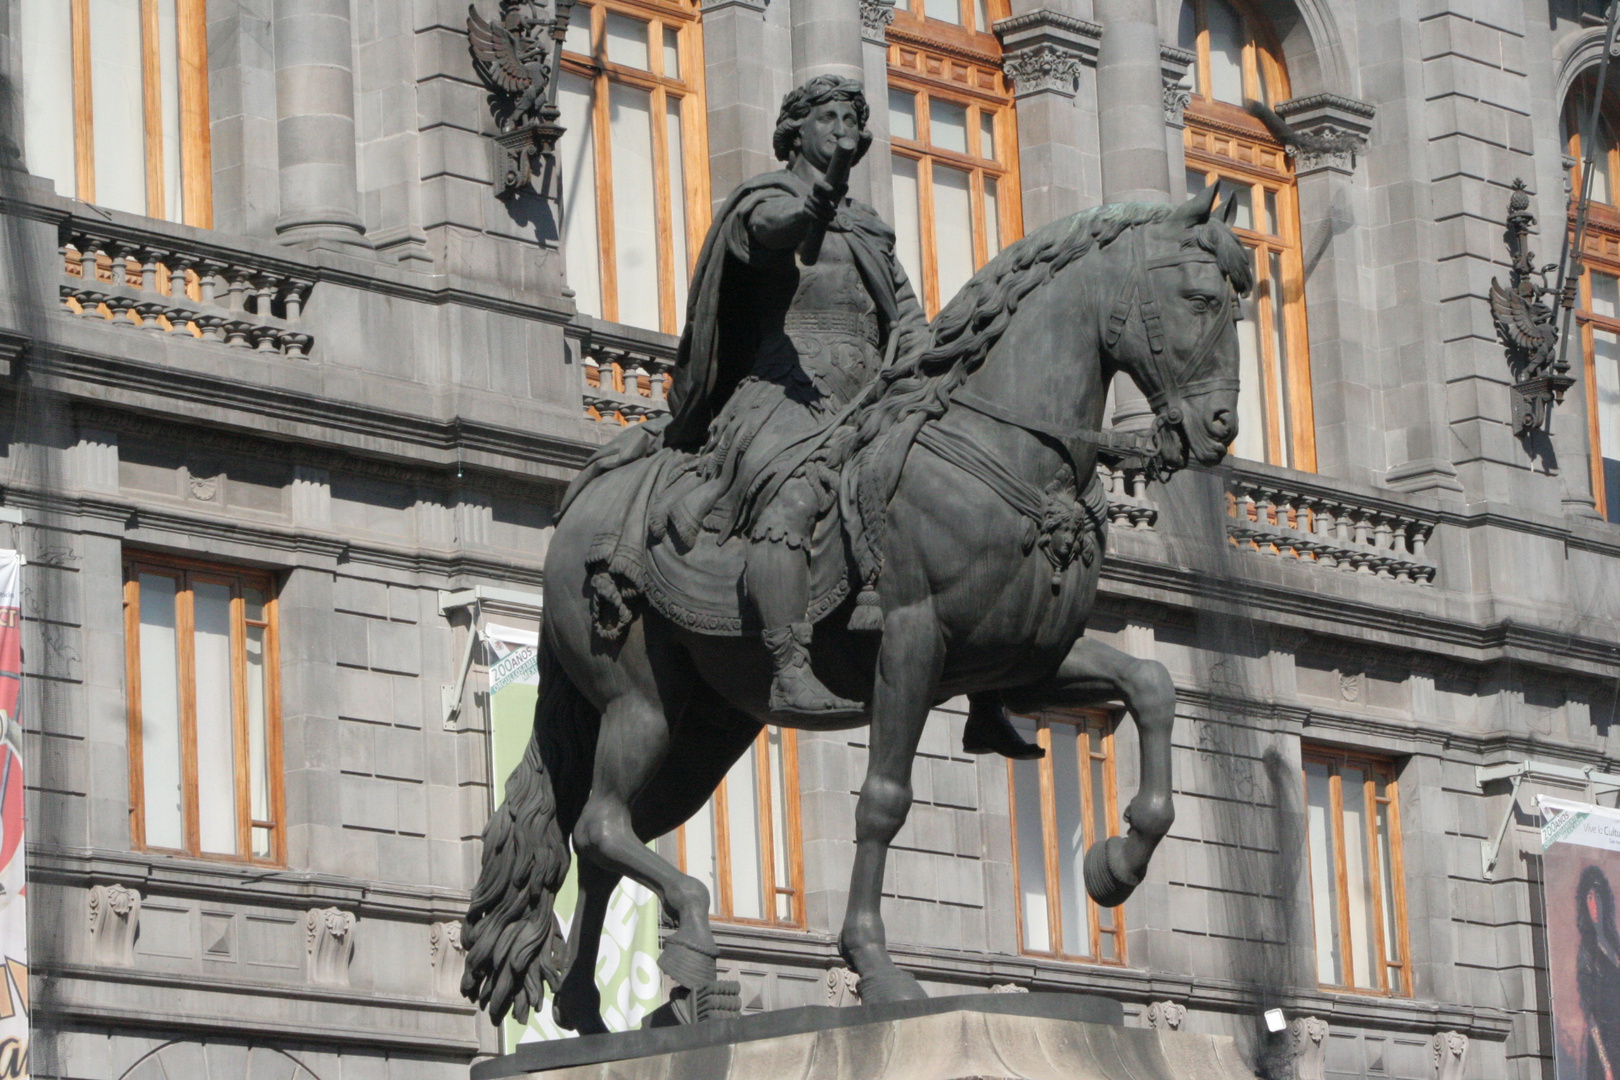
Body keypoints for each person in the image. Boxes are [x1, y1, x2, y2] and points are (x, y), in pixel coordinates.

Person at [657, 75, 926, 718]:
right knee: (794, 496)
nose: (843, 131)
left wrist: (921, 352)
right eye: (829, 119)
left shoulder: (868, 229)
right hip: (785, 390)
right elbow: (780, 235)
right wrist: (820, 196)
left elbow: (906, 313)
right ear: (796, 132)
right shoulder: (767, 201)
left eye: (851, 122)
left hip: (870, 393)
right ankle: (788, 664)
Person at [1577, 865, 1620, 1080]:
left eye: (1598, 897)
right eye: (1589, 897)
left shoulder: (1615, 943)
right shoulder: (1587, 950)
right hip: (1604, 1047)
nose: (1595, 904)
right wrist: (1606, 1066)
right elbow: (1590, 1013)